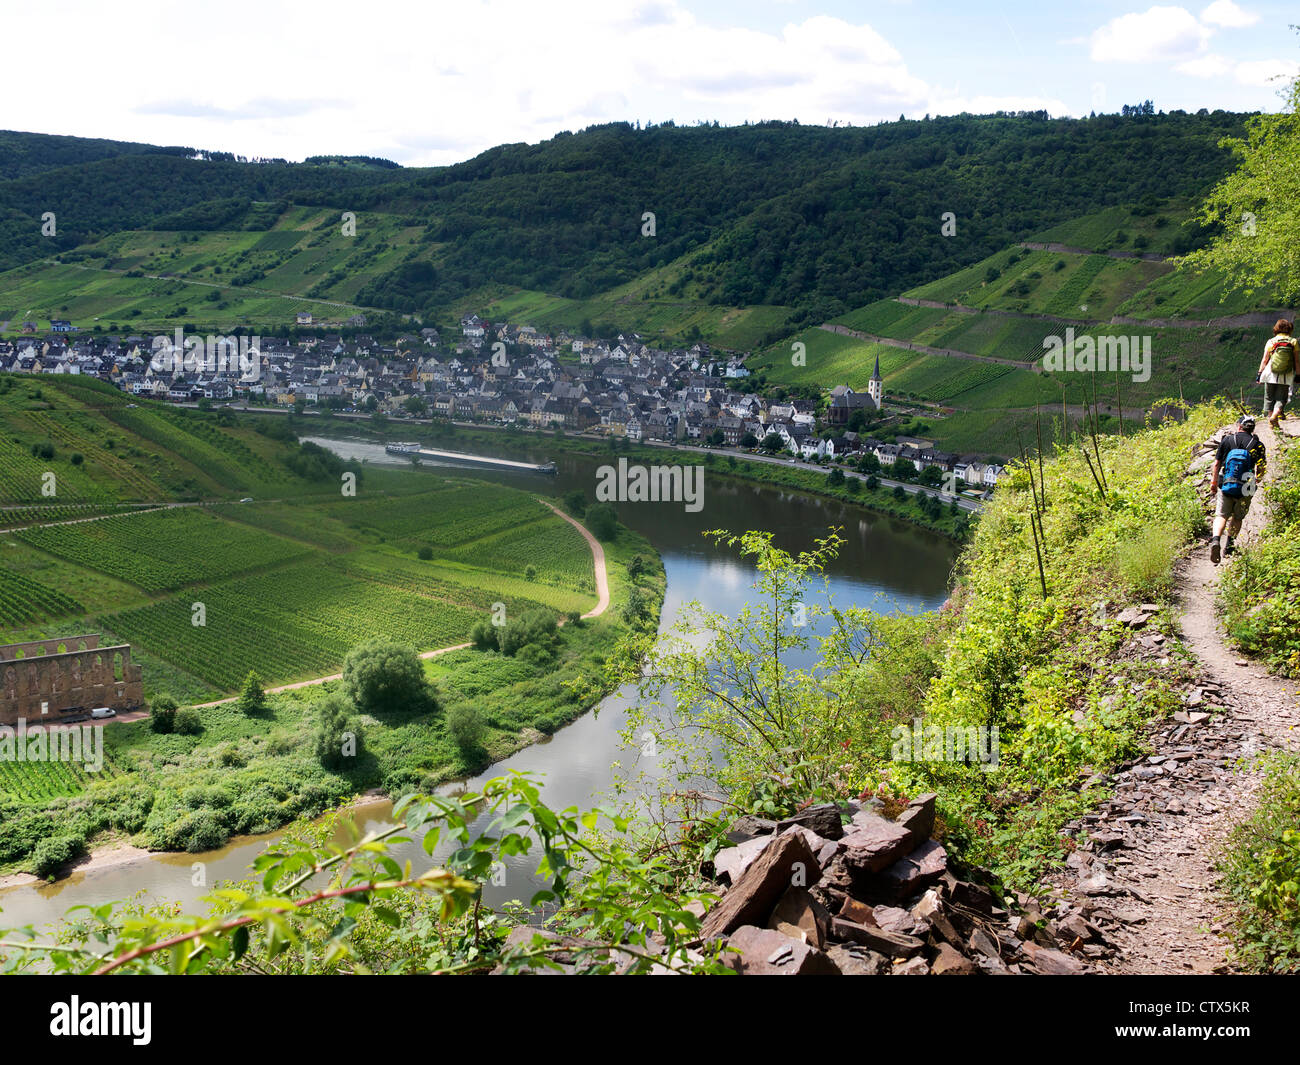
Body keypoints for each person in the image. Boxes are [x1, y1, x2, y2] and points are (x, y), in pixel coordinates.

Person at [1208, 414, 1265, 564]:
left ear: (1239, 426)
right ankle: (1230, 547)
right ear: (1252, 428)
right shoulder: (1257, 444)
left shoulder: (1227, 440)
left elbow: (1216, 464)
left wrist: (1214, 483)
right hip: (1246, 486)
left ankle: (1215, 540)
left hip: (1226, 483)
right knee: (1237, 517)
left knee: (1221, 515)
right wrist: (1256, 479)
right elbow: (1261, 469)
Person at [1256, 319, 1298, 430]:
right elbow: (1297, 360)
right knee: (1281, 398)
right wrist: (1298, 374)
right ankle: (1275, 416)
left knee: (1269, 397)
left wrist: (1259, 374)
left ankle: (1270, 419)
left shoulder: (1271, 341)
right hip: (1286, 373)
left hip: (1270, 372)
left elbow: (1265, 360)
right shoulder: (1293, 342)